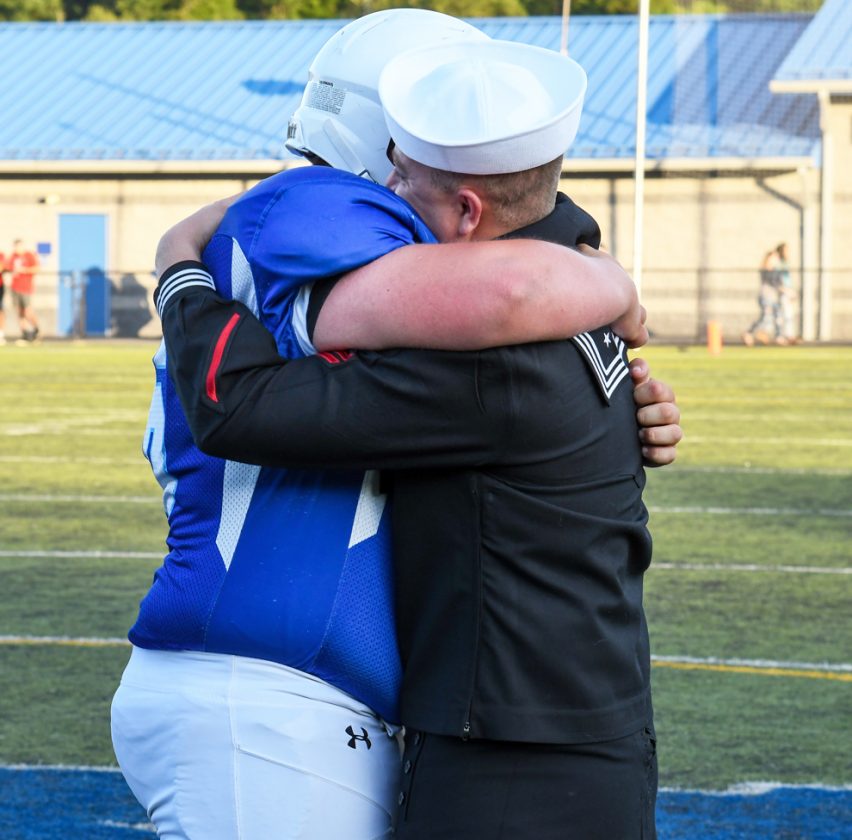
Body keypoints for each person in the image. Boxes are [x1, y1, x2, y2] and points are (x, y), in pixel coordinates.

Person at [157, 37, 675, 839]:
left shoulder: (495, 362)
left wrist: (180, 270)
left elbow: (239, 408)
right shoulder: (577, 307)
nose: (388, 190)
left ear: (467, 211)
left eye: (405, 177)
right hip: (585, 726)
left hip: (509, 755)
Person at [743, 242, 796, 346]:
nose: (775, 260)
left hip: (774, 297)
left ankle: (778, 336)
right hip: (766, 297)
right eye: (773, 258)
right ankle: (749, 333)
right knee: (765, 317)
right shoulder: (765, 270)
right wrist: (787, 291)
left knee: (778, 316)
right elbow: (775, 284)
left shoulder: (776, 270)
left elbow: (780, 283)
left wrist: (788, 292)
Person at [7, 239, 40, 342]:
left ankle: (36, 329)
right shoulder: (13, 256)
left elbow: (36, 268)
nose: (17, 249)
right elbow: (7, 267)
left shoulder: (28, 255)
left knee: (27, 311)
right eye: (16, 247)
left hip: (25, 288)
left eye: (19, 247)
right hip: (15, 287)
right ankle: (25, 333)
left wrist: (24, 270)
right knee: (19, 311)